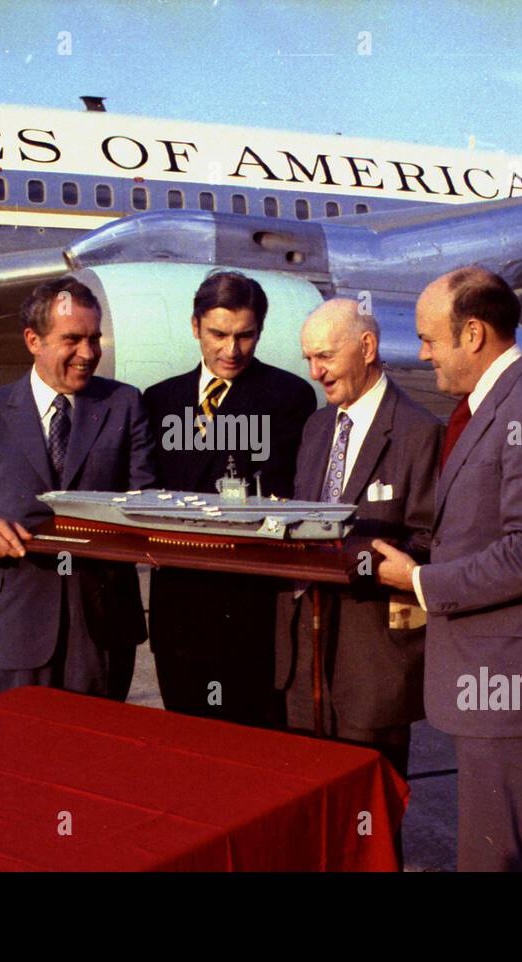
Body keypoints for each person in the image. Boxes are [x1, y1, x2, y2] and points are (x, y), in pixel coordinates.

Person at [372, 266, 522, 871]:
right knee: (500, 853)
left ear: (473, 334)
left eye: (430, 338)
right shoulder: (497, 404)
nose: (423, 353)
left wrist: (420, 582)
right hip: (495, 676)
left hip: (516, 682)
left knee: (497, 858)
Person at [0, 276, 156, 699]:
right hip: (17, 621)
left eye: (95, 339)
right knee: (21, 751)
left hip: (102, 621)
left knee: (93, 752)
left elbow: (145, 500)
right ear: (33, 340)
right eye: (73, 339)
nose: (88, 353)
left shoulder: (124, 404)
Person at [143, 271, 317, 727]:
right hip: (178, 612)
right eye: (219, 334)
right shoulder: (159, 401)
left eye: (246, 335)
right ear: (195, 326)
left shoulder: (288, 397)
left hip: (250, 613)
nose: (231, 350)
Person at [277, 298, 441, 777]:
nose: (315, 371)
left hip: (370, 663)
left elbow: (430, 540)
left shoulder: (419, 432)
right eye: (308, 358)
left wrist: (364, 566)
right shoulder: (316, 427)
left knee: (371, 810)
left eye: (325, 356)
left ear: (367, 347)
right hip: (303, 655)